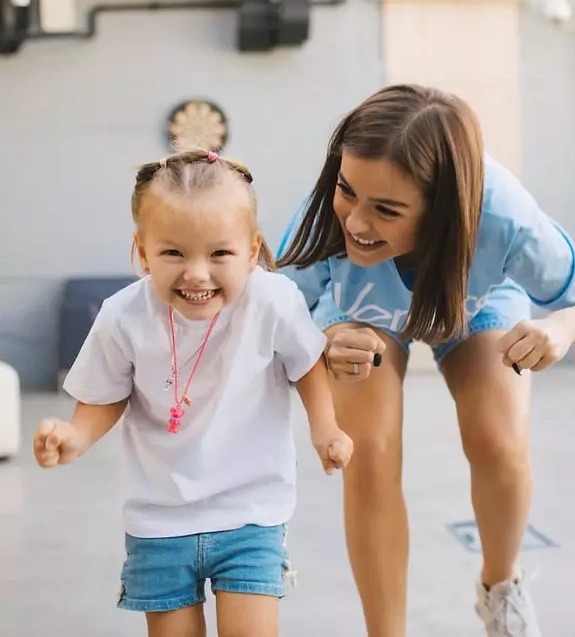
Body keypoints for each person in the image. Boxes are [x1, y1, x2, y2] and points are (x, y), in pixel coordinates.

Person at [276, 84, 575, 637]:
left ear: (443, 207)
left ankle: (501, 589)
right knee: (368, 454)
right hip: (362, 315)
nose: (357, 223)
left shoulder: (505, 219)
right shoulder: (328, 215)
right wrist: (321, 341)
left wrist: (562, 328)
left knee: (500, 442)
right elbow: (266, 313)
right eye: (349, 191)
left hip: (476, 306)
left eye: (386, 209)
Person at [32, 149, 353, 637]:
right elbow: (105, 394)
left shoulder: (272, 300)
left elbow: (306, 362)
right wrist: (75, 434)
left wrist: (325, 427)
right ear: (143, 251)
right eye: (173, 253)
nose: (197, 274)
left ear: (251, 250)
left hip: (250, 512)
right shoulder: (123, 316)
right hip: (159, 520)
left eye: (219, 253)